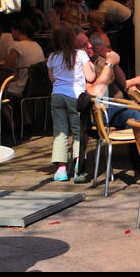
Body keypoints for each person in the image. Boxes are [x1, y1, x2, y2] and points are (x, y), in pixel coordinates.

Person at [47, 23, 96, 183]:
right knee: (77, 132)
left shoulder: (52, 57)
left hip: (57, 96)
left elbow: (52, 79)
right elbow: (90, 78)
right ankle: (77, 166)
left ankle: (61, 169)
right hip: (75, 97)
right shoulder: (81, 55)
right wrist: (92, 69)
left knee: (60, 132)